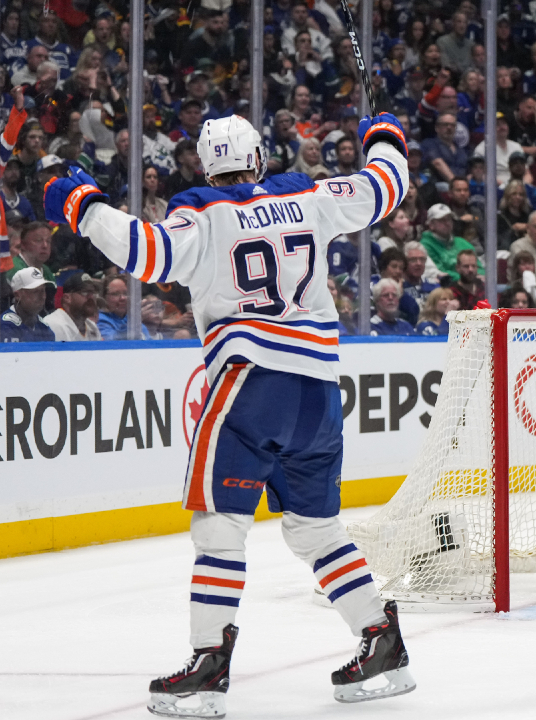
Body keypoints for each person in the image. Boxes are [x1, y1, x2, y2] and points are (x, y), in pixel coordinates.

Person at [43, 112, 417, 714]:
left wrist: (84, 205)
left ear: (206, 166)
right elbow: (385, 187)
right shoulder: (306, 192)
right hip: (318, 391)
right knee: (315, 528)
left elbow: (148, 253)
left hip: (250, 383)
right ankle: (381, 638)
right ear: (259, 157)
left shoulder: (202, 209)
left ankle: (209, 662)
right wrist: (384, 139)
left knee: (220, 525)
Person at [1, 266, 54, 342]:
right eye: (35, 291)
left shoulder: (44, 328)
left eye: (43, 290)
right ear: (17, 295)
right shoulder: (5, 327)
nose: (42, 296)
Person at [44, 271, 101, 341]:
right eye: (84, 292)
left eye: (93, 293)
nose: (91, 297)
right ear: (67, 298)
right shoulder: (54, 324)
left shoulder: (92, 327)